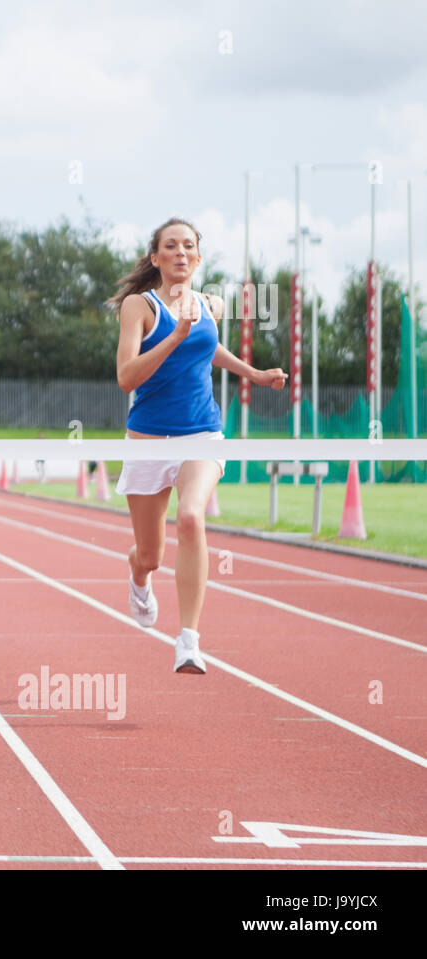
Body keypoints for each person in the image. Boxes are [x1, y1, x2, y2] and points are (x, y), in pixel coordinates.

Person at [110, 217, 285, 673]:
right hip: (147, 439)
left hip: (201, 433)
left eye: (189, 245)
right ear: (156, 258)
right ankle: (138, 575)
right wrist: (174, 336)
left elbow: (209, 351)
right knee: (150, 553)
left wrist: (255, 374)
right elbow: (126, 378)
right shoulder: (139, 306)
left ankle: (188, 640)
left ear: (199, 257)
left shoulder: (211, 304)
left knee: (190, 518)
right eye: (171, 246)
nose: (181, 253)